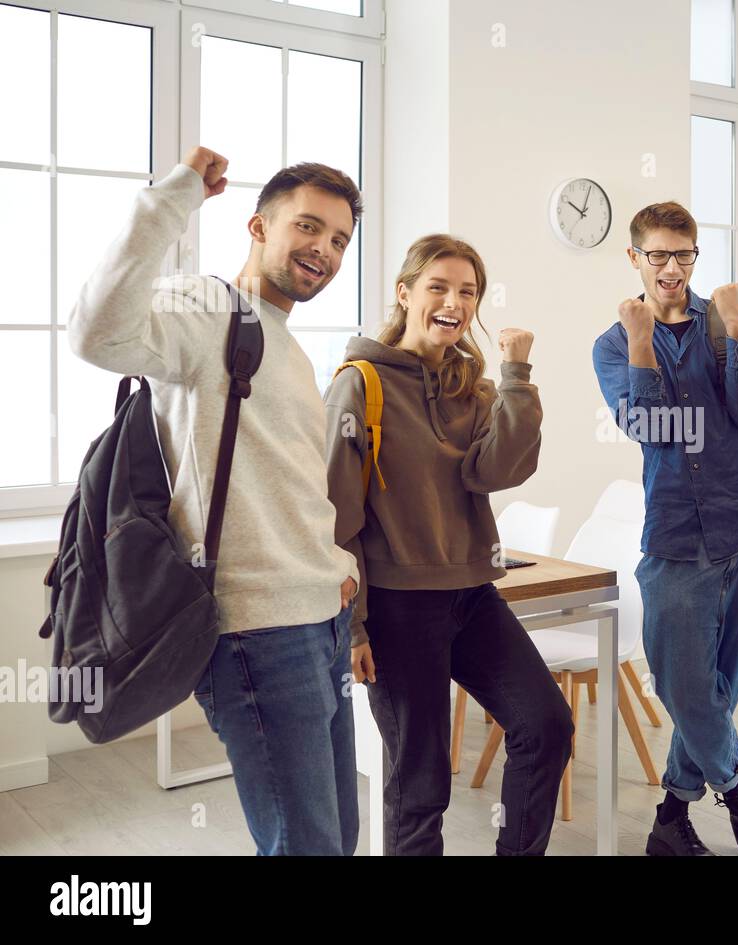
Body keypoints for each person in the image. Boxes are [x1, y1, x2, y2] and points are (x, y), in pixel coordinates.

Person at [67, 146, 363, 855]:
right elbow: (96, 332)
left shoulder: (288, 344)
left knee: (337, 836)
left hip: (320, 620)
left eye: (339, 239)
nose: (323, 248)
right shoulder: (204, 307)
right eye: (307, 227)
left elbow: (283, 480)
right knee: (307, 844)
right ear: (259, 228)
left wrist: (333, 561)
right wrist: (172, 199)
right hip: (258, 631)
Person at [325, 234, 573, 856]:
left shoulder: (476, 387)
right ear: (406, 293)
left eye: (468, 292)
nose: (454, 302)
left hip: (472, 595)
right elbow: (333, 518)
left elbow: (496, 473)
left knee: (545, 725)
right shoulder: (360, 385)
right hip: (396, 608)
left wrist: (516, 375)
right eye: (438, 286)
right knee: (421, 782)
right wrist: (352, 626)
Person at [592, 201, 738, 856]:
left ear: (696, 256)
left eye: (684, 254)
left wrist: (736, 327)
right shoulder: (614, 343)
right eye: (658, 254)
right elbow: (649, 426)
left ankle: (671, 818)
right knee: (679, 680)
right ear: (635, 258)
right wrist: (644, 339)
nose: (671, 268)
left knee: (719, 684)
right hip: (676, 530)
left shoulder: (732, 319)